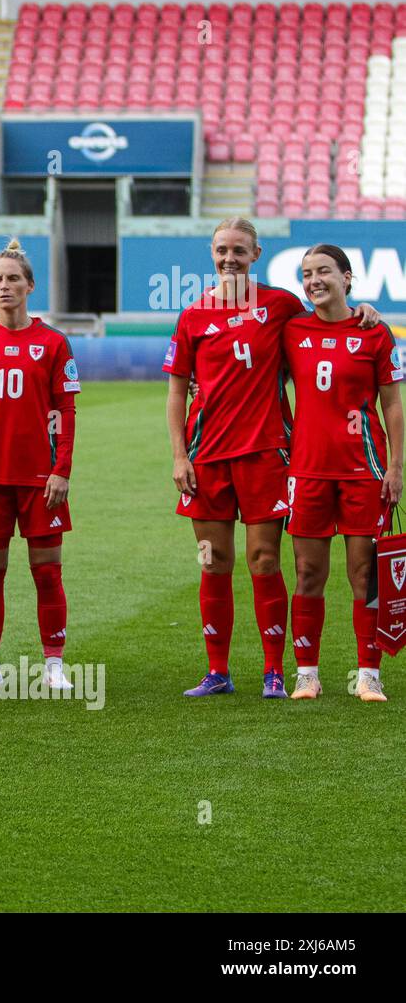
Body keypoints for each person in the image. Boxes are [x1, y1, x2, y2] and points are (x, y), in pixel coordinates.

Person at [165, 218, 380, 698]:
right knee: (212, 561)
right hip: (206, 460)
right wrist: (180, 456)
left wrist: (366, 310)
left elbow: (331, 315)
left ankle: (275, 672)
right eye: (221, 250)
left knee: (264, 560)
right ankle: (217, 672)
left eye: (239, 251)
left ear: (256, 254)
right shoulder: (194, 316)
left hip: (266, 456)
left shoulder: (282, 306)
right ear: (211, 252)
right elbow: (177, 389)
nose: (229, 259)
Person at [0, 238, 79, 691]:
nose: (5, 286)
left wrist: (62, 469)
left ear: (30, 286)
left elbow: (66, 411)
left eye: (13, 279)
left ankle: (54, 665)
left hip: (40, 479)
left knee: (47, 571)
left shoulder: (52, 342)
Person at [282, 244, 403, 702]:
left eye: (324, 271)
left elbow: (392, 402)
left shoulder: (375, 332)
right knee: (308, 572)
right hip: (308, 470)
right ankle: (306, 673)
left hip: (364, 470)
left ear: (347, 278)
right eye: (307, 273)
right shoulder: (290, 330)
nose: (314, 280)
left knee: (364, 574)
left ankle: (368, 673)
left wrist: (395, 465)